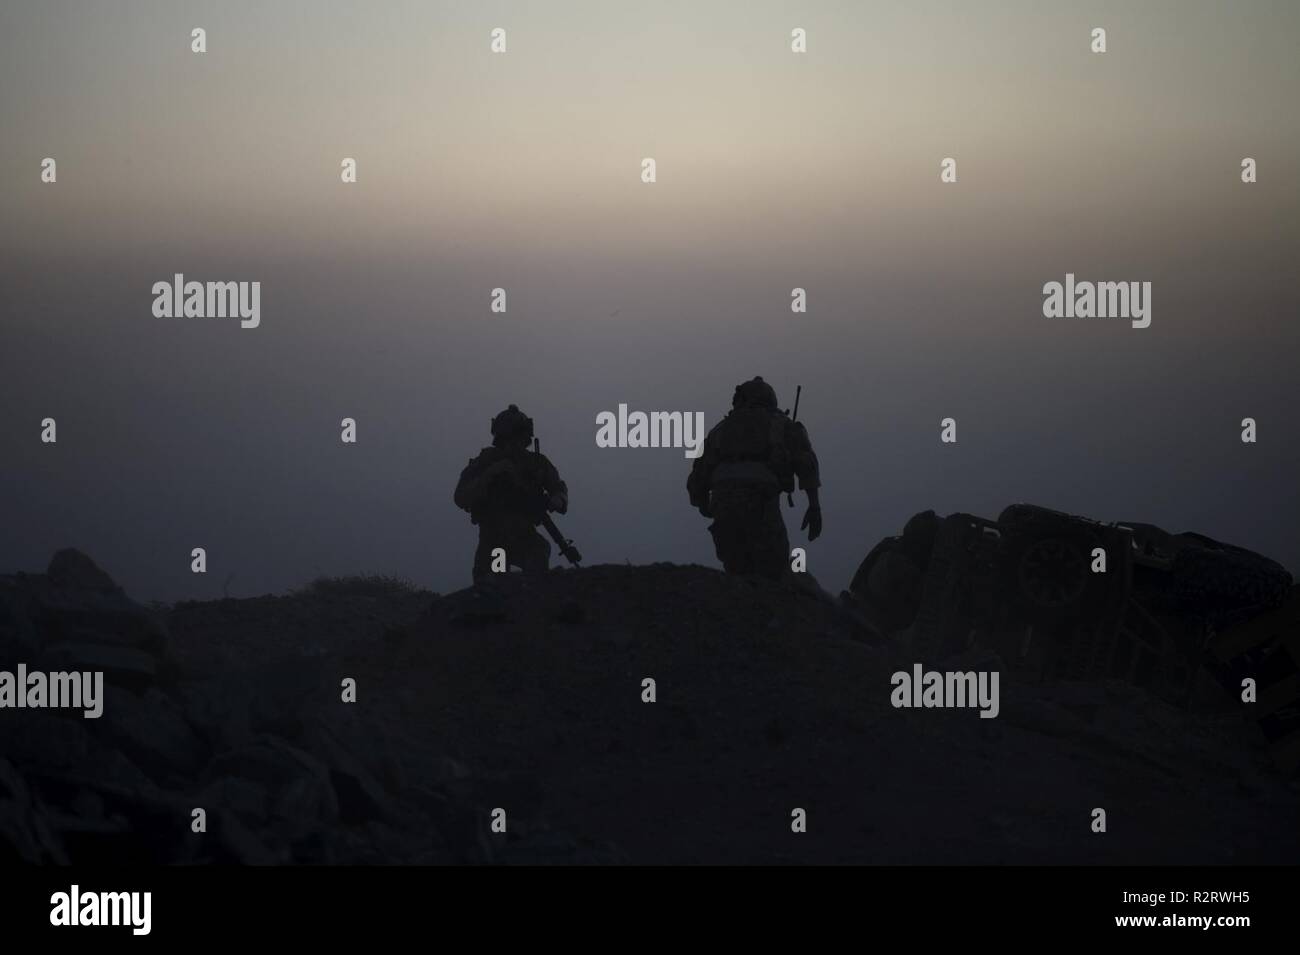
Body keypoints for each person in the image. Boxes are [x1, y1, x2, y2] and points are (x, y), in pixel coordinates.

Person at [687, 377, 821, 579]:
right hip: (761, 504)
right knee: (776, 570)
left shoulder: (720, 430)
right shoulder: (782, 425)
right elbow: (807, 465)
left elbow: (698, 476)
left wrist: (704, 504)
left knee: (737, 570)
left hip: (723, 507)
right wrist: (814, 507)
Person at [454, 405, 568, 581]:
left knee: (538, 556)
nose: (515, 444)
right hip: (494, 538)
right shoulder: (486, 462)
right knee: (494, 585)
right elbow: (461, 497)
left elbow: (558, 488)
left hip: (524, 535)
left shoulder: (536, 464)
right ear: (501, 439)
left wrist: (556, 500)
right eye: (510, 439)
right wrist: (490, 475)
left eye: (519, 439)